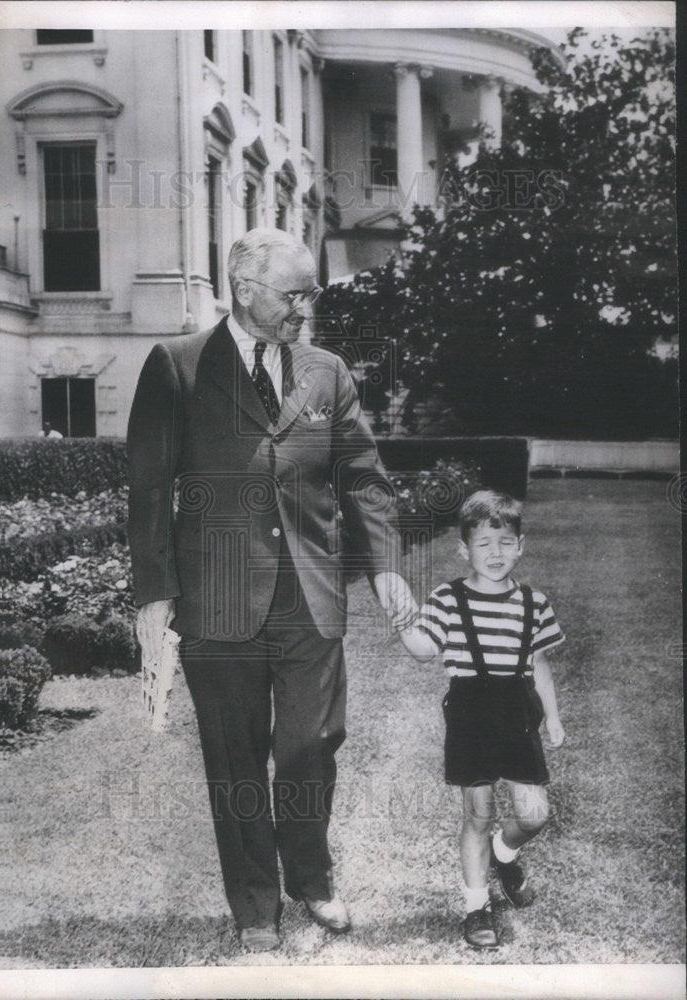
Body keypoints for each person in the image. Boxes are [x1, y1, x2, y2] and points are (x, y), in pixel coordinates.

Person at [127, 228, 417, 952]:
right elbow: (148, 489)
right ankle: (255, 903)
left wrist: (383, 564)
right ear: (244, 287)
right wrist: (155, 595)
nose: (304, 310)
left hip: (310, 597)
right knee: (234, 757)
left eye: (309, 294)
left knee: (310, 746)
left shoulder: (325, 371)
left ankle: (311, 879)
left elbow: (363, 476)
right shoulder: (177, 366)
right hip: (217, 600)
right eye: (293, 295)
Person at [397, 489, 565, 950]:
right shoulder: (447, 599)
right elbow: (424, 651)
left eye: (506, 542)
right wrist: (402, 621)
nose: (496, 553)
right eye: (484, 543)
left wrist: (552, 718)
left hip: (518, 714)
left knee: (534, 814)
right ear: (464, 549)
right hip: (470, 715)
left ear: (521, 545)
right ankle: (476, 908)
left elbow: (541, 664)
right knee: (479, 812)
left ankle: (503, 853)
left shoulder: (534, 602)